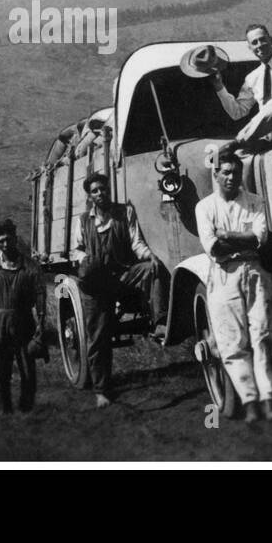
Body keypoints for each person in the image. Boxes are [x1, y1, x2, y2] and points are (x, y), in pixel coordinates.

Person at [194, 145, 272, 424]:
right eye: (226, 173)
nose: (232, 177)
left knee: (263, 336)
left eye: (236, 172)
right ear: (216, 175)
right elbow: (214, 247)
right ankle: (249, 400)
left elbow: (261, 238)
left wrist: (228, 234)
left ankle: (268, 397)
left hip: (255, 273)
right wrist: (242, 237)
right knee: (232, 343)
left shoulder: (255, 202)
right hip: (224, 277)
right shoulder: (204, 207)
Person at [72, 172, 168, 407]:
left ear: (108, 189)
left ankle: (159, 322)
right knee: (98, 336)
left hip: (124, 274)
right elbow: (76, 250)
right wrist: (87, 259)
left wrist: (150, 256)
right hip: (97, 282)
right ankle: (102, 390)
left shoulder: (125, 213)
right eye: (95, 191)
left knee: (152, 269)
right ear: (90, 196)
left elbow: (137, 243)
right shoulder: (83, 220)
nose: (100, 193)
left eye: (103, 189)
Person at [192, 24, 272, 148]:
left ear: (271, 40)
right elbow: (237, 112)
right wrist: (219, 86)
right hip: (268, 135)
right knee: (236, 159)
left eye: (262, 40)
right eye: (254, 42)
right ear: (250, 47)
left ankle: (236, 143)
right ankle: (235, 149)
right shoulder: (252, 77)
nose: (259, 45)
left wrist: (243, 135)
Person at [0, 221, 45, 414]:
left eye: (9, 239)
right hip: (0, 324)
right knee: (0, 372)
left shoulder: (31, 267)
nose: (6, 244)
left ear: (15, 240)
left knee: (27, 370)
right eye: (1, 241)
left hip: (24, 322)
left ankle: (26, 409)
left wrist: (40, 324)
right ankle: (3, 411)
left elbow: (41, 295)